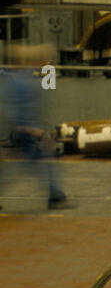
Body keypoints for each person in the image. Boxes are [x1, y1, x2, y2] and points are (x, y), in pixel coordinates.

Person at [0, 43, 71, 210]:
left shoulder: (23, 77)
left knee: (32, 164)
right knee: (40, 162)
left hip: (28, 131)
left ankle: (56, 195)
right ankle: (56, 196)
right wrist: (32, 131)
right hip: (25, 132)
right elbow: (15, 111)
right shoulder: (16, 81)